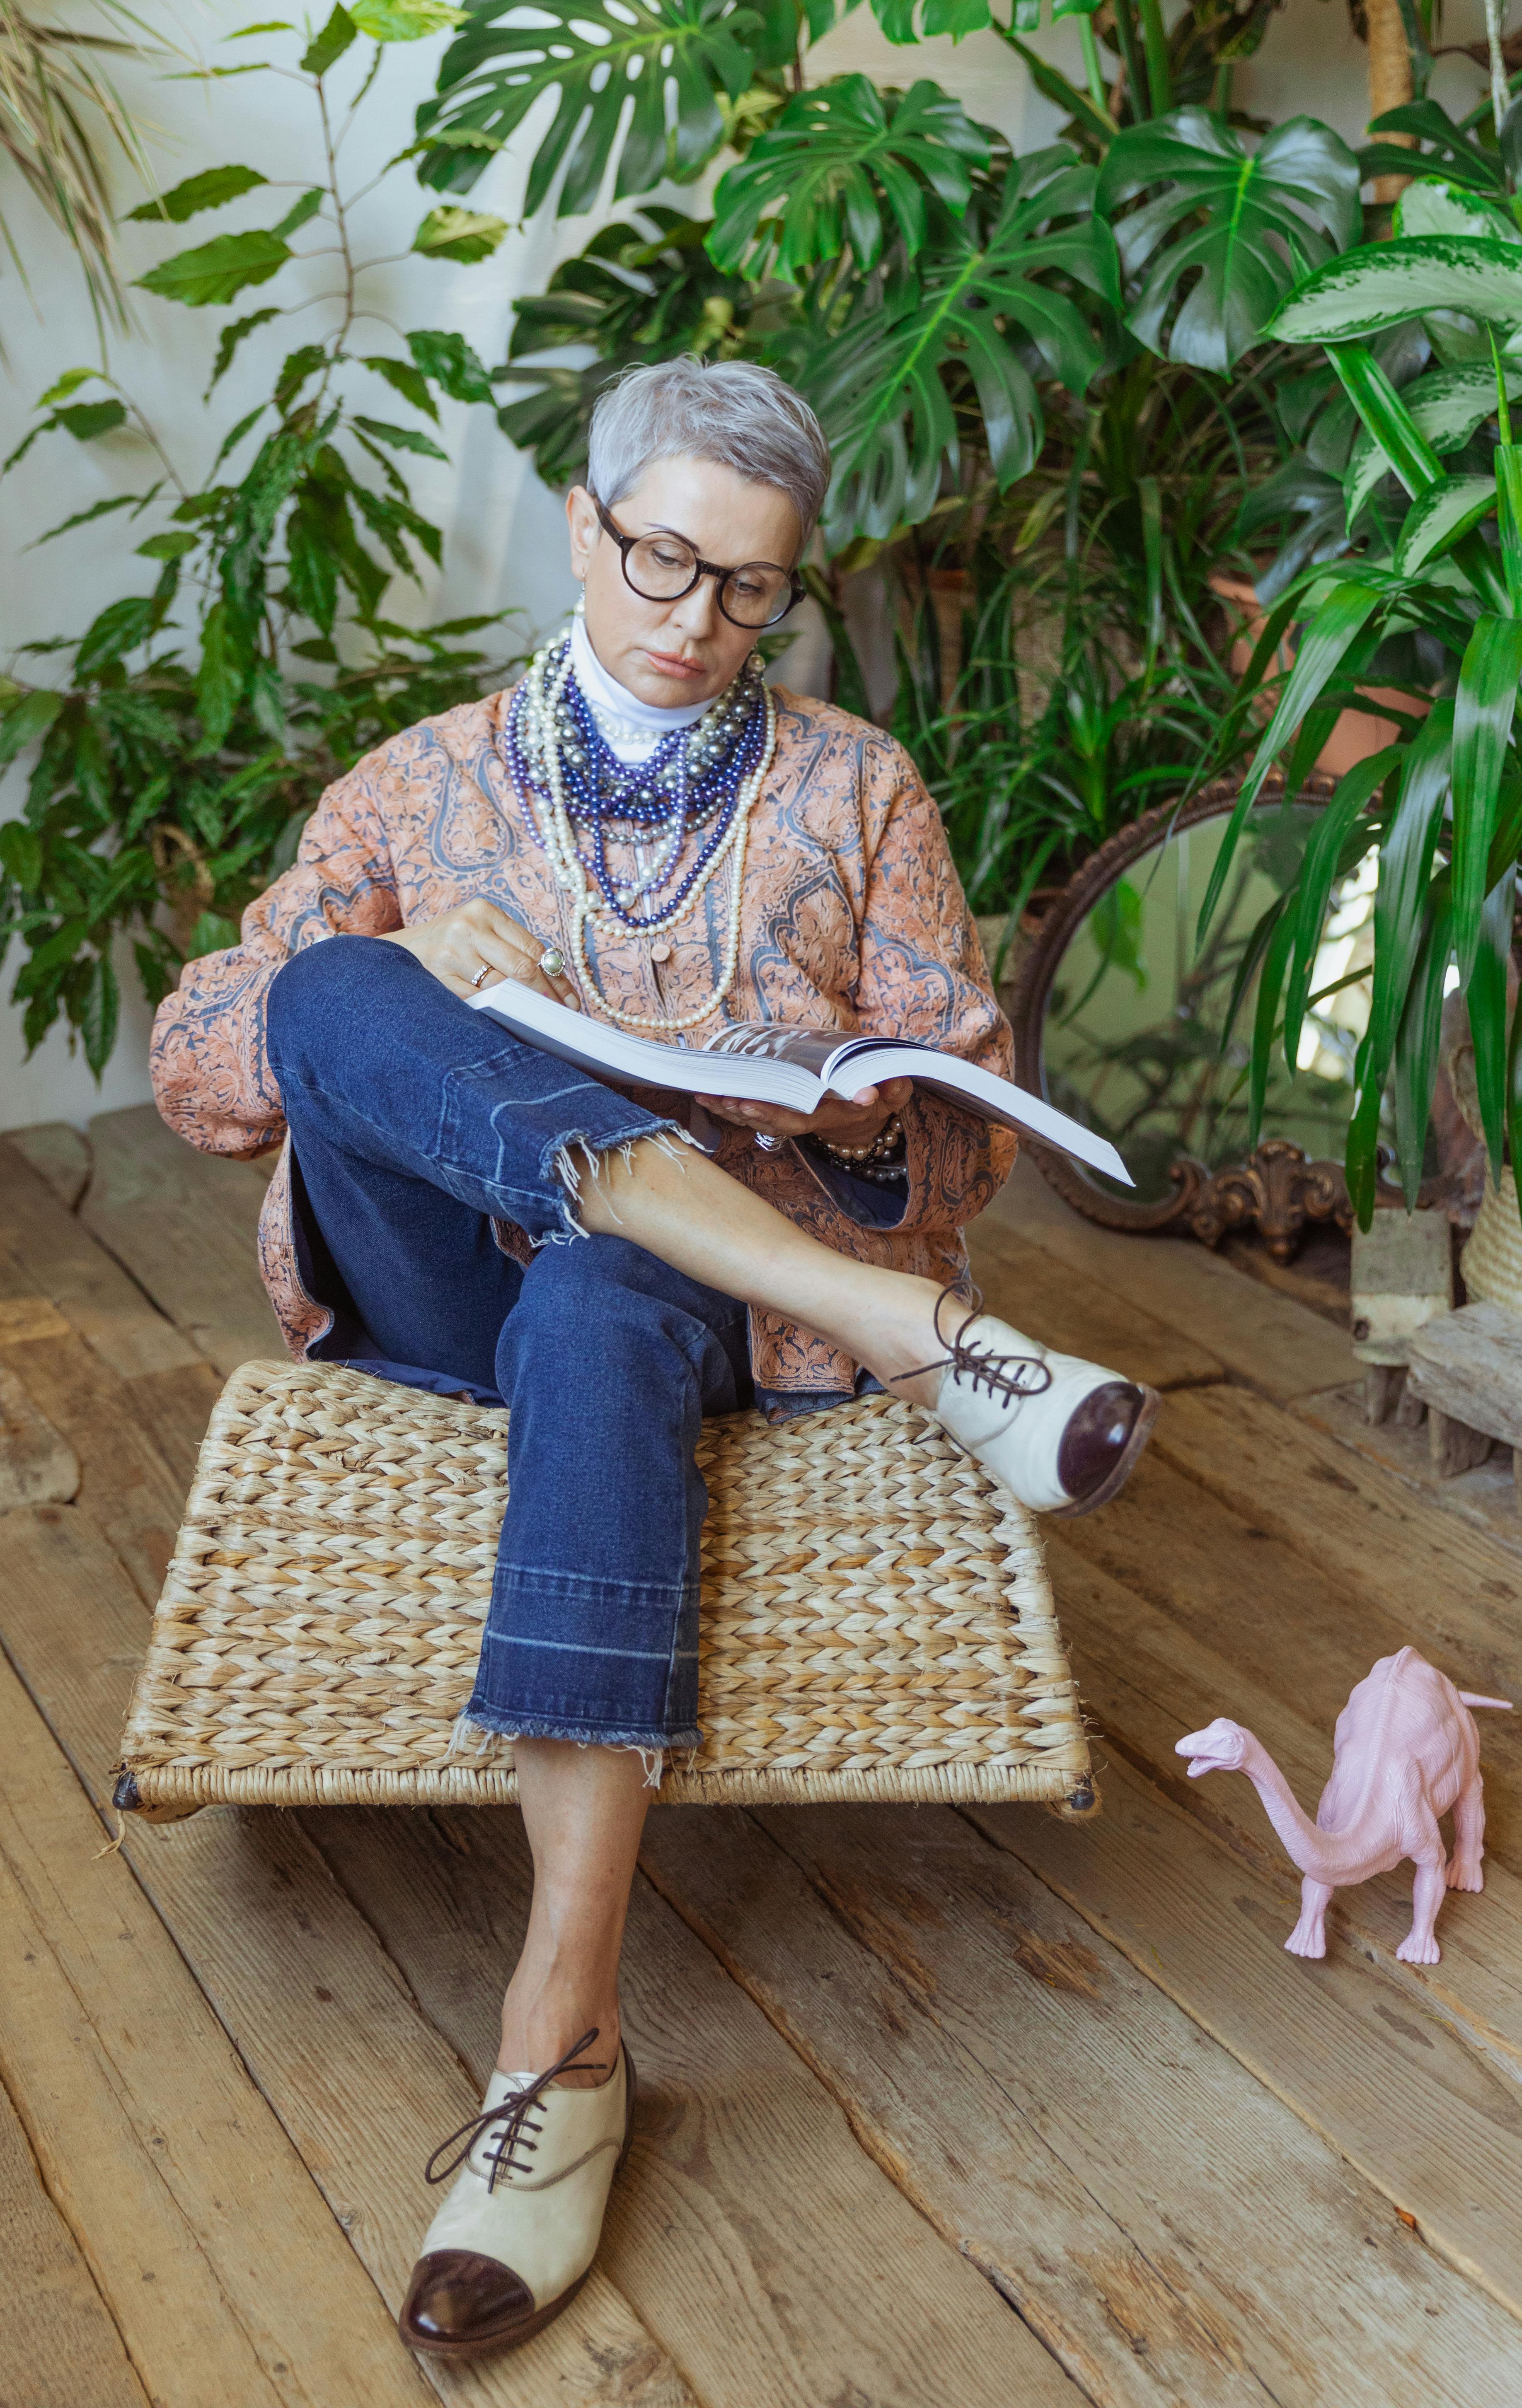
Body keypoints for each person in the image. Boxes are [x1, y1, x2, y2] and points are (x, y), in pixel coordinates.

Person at [150, 357, 1157, 2366]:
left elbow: (969, 1124)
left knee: (604, 1298)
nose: (697, 620)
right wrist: (414, 977)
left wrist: (862, 1111)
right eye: (663, 562)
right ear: (586, 524)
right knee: (337, 986)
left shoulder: (859, 786)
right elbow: (200, 1061)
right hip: (441, 1280)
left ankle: (562, 2040)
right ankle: (919, 1335)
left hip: (680, 1307)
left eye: (751, 587)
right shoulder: (424, 780)